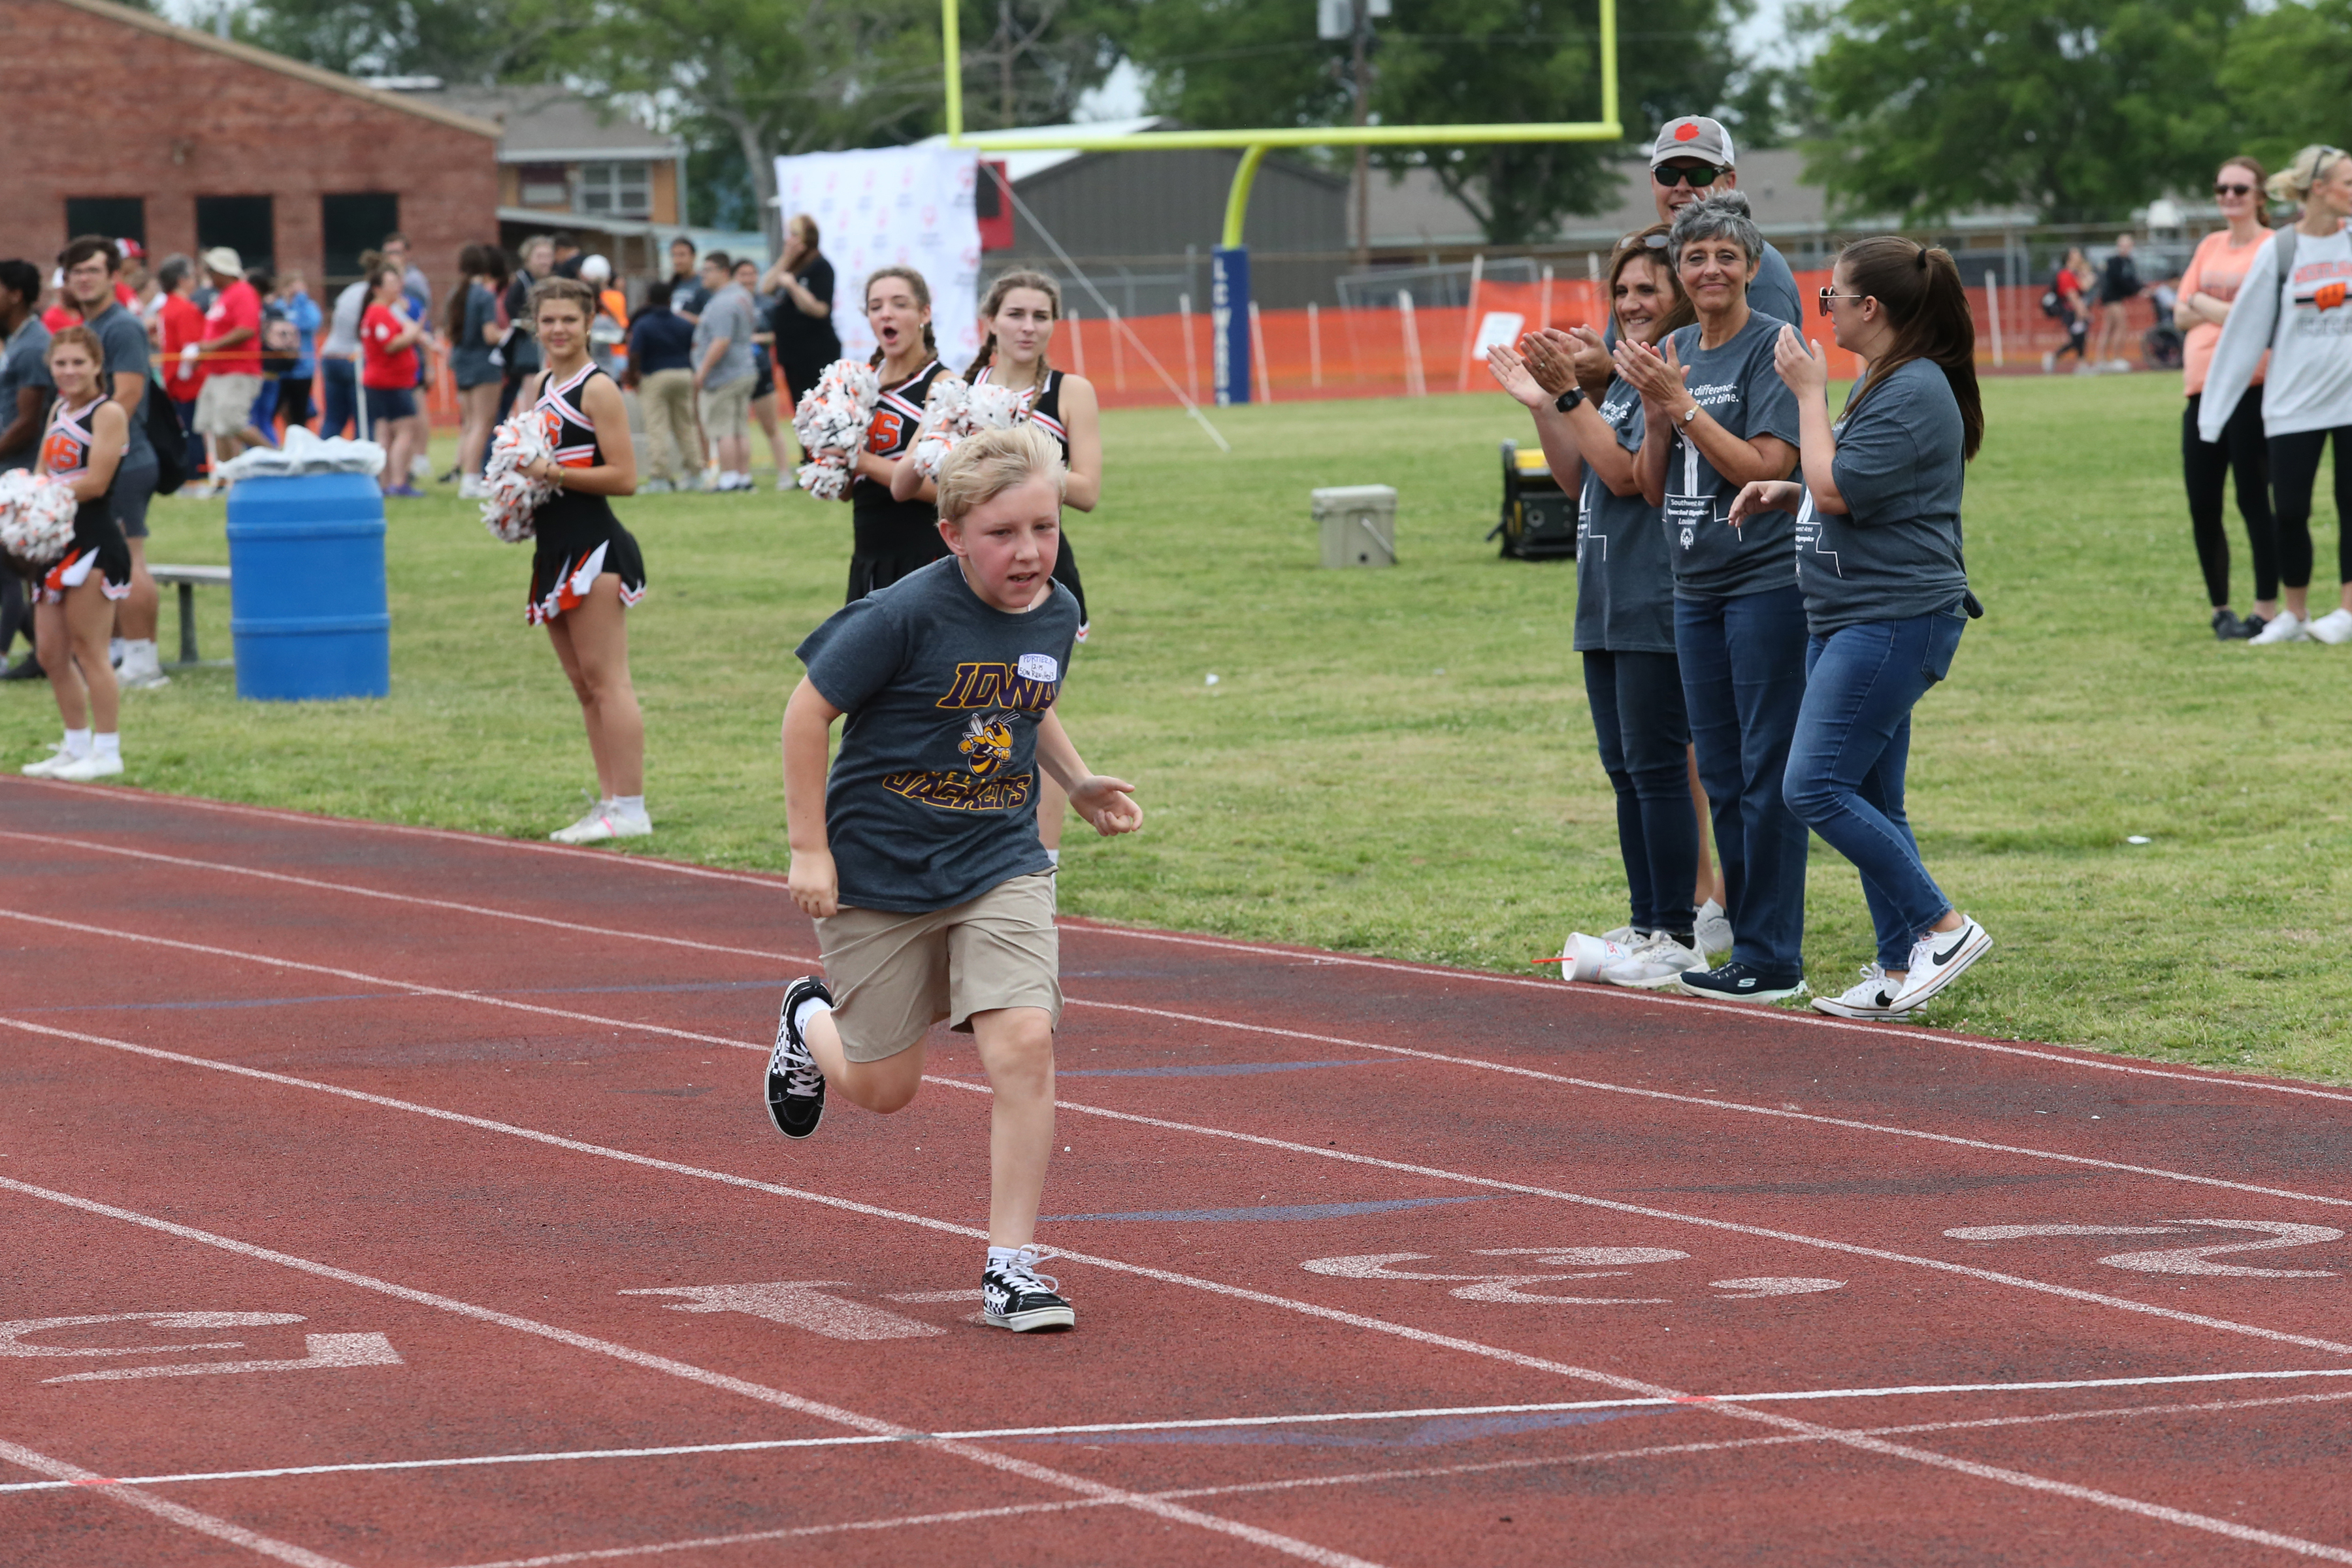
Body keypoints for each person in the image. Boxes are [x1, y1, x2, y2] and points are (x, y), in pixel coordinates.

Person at [763, 421, 1143, 1333]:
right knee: (884, 1090)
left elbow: (1028, 697)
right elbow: (805, 716)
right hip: (880, 870)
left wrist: (1076, 781)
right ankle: (808, 1018)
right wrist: (809, 849)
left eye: (1045, 528)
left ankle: (1011, 1268)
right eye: (1003, 534)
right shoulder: (899, 616)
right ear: (953, 535)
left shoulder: (1054, 608)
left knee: (1023, 1042)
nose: (1030, 552)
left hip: (998, 857)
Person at [1733, 238, 1993, 1019]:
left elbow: (1838, 490)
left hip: (1891, 619)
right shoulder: (1887, 378)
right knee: (1874, 793)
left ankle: (1943, 927)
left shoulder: (1912, 386)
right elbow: (1846, 486)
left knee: (1813, 786)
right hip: (1851, 615)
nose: (1826, 311)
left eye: (1832, 297)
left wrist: (1808, 397)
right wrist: (1788, 493)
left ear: (1869, 308)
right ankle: (1896, 966)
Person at [1489, 226, 1711, 985]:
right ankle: (1647, 920)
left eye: (1648, 289)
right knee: (1625, 769)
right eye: (1622, 291)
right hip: (1606, 595)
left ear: (1679, 297)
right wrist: (1543, 405)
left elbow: (1625, 478)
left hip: (1653, 593)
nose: (1632, 302)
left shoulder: (1665, 375)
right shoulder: (1617, 381)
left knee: (1657, 768)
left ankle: (1677, 931)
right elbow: (1580, 479)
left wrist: (1568, 392)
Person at [1612, 191, 1808, 1003]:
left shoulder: (1775, 345)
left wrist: (1682, 406)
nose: (1711, 269)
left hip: (1763, 584)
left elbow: (1766, 467)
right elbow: (1650, 485)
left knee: (1767, 771)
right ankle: (1740, 944)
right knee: (1721, 774)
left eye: (1727, 256)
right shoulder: (1675, 346)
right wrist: (1658, 417)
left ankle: (1775, 955)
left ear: (1752, 267)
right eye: (1696, 258)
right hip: (1691, 588)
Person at [932, 269, 1103, 867]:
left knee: (1035, 712)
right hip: (972, 566)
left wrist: (1016, 454)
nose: (1028, 327)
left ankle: (1041, 863)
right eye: (1015, 314)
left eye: (1040, 316)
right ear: (991, 321)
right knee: (964, 710)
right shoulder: (958, 389)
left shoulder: (1070, 391)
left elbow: (1087, 490)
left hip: (1039, 569)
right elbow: (928, 479)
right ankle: (970, 848)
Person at [512, 276, 649, 845]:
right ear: (535, 326)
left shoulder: (598, 389)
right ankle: (610, 804)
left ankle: (632, 807)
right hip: (554, 548)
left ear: (590, 323)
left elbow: (625, 477)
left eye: (570, 319)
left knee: (608, 681)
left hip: (594, 549)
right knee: (583, 685)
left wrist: (550, 473)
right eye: (548, 320)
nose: (559, 329)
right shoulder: (539, 385)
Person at [2201, 144, 2352, 647]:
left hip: (2349, 402)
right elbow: (2243, 334)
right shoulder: (2281, 251)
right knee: (2288, 510)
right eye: (2348, 182)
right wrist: (2213, 415)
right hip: (2293, 403)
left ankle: (2348, 610)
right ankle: (2294, 613)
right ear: (2318, 189)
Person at [1572, 118, 1803, 399]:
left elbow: (1749, 395)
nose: (1681, 187)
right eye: (1667, 174)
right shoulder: (1646, 259)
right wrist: (1583, 380)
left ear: (1729, 182)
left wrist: (1607, 374)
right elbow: (1617, 400)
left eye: (1699, 175)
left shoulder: (1761, 269)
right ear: (1653, 182)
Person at [18, 327, 130, 781]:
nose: (69, 371)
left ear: (97, 365)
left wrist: (39, 493)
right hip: (54, 542)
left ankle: (108, 751)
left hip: (93, 542)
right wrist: (23, 498)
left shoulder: (109, 413)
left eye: (79, 363)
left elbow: (96, 483)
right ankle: (75, 744)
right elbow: (42, 470)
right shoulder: (58, 409)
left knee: (90, 649)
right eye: (61, 363)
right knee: (50, 652)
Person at [2176, 157, 2279, 641]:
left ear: (2260, 195)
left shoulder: (2273, 247)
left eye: (2240, 189)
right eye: (2222, 189)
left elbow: (2262, 317)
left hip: (2251, 389)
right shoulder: (2209, 245)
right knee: (2203, 502)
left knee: (2254, 499)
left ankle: (2266, 610)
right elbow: (2179, 315)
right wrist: (2227, 311)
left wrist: (2202, 302)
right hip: (2201, 390)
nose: (2230, 197)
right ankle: (2221, 609)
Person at [60, 235, 165, 691]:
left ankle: (144, 660)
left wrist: (91, 441)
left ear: (114, 276)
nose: (84, 279)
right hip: (100, 459)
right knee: (109, 557)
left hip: (126, 458)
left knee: (131, 557)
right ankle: (120, 650)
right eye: (76, 272)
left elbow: (129, 394)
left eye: (93, 271)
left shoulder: (121, 327)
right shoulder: (89, 326)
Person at [840, 266, 949, 600]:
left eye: (900, 304)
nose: (886, 313)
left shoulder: (944, 386)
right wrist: (829, 454)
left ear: (924, 313)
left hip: (927, 555)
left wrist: (861, 460)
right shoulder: (860, 385)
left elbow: (945, 489)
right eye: (876, 307)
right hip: (868, 557)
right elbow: (845, 491)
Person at [0, 259, 54, 683]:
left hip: (22, 471)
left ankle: (23, 653)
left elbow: (27, 423)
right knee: (12, 568)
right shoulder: (17, 340)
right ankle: (43, 649)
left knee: (14, 570)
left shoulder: (33, 346)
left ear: (15, 294)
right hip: (11, 467)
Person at [763, 214, 842, 462]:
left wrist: (793, 287)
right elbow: (766, 288)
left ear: (808, 239)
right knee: (801, 410)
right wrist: (785, 259)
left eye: (795, 235)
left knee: (820, 409)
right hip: (791, 352)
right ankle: (808, 459)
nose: (790, 240)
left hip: (816, 352)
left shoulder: (821, 267)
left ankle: (826, 460)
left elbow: (820, 309)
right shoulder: (792, 266)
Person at [189, 246, 268, 467]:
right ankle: (226, 475)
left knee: (233, 424)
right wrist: (203, 355)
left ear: (223, 271)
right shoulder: (225, 295)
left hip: (238, 370)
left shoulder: (243, 292)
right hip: (218, 372)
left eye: (211, 270)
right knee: (216, 426)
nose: (208, 275)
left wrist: (211, 347)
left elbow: (247, 329)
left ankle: (278, 458)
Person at [690, 252, 759, 492]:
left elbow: (721, 340)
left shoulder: (724, 302)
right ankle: (743, 476)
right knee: (739, 429)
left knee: (723, 430)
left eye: (708, 270)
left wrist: (702, 371)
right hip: (743, 368)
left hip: (724, 374)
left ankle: (729, 477)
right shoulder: (742, 295)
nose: (703, 275)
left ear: (724, 272)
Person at [359, 263, 427, 498]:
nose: (398, 287)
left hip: (383, 380)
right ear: (377, 288)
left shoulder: (383, 311)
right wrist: (413, 333)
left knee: (385, 433)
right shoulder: (379, 312)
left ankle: (386, 483)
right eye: (392, 283)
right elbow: (390, 345)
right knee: (405, 431)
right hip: (390, 381)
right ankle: (399, 482)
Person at [624, 278, 698, 492]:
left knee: (657, 427)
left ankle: (660, 477)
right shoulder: (683, 323)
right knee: (686, 425)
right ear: (670, 299)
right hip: (683, 373)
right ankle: (695, 473)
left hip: (655, 375)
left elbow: (635, 353)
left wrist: (633, 377)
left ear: (648, 299)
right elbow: (691, 347)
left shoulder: (644, 324)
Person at [448, 244, 507, 498]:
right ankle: (471, 479)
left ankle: (466, 475)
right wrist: (511, 333)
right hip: (483, 363)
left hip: (461, 361)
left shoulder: (455, 294)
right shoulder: (484, 296)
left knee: (471, 423)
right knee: (483, 423)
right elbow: (490, 334)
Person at [735, 257, 791, 483]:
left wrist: (758, 338)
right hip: (735, 374)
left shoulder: (767, 304)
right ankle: (741, 477)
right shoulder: (729, 303)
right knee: (737, 428)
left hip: (761, 371)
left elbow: (780, 334)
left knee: (771, 425)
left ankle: (785, 474)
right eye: (743, 274)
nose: (748, 279)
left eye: (752, 274)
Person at [318, 249, 379, 442]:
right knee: (365, 420)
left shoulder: (351, 290)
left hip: (330, 356)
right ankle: (360, 459)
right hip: (355, 359)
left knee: (333, 420)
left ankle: (321, 457)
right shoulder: (375, 296)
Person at [497, 237, 555, 429]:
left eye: (548, 256)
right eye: (540, 256)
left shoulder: (548, 281)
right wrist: (528, 323)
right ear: (528, 258)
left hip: (540, 349)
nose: (545, 261)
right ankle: (527, 428)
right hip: (525, 349)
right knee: (528, 392)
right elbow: (510, 305)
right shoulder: (521, 281)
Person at [2095, 235, 2145, 371]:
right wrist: (2136, 290)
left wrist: (2140, 289)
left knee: (2109, 328)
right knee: (2120, 327)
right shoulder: (2114, 262)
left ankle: (2101, 360)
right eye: (2123, 246)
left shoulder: (2128, 262)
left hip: (2117, 298)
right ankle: (2114, 359)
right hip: (2112, 299)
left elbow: (2132, 280)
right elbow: (2119, 281)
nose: (2125, 249)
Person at [2044, 249, 2093, 374]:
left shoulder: (2075, 274)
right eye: (2076, 254)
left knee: (2080, 338)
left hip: (2075, 310)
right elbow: (2072, 297)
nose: (2080, 256)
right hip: (2070, 312)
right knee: (2078, 338)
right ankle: (2057, 357)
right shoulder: (2065, 275)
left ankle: (2078, 363)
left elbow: (2083, 288)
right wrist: (2082, 311)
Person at [665, 237, 708, 323]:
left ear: (693, 257)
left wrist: (685, 317)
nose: (677, 261)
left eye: (682, 255)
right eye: (674, 255)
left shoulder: (703, 284)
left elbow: (710, 320)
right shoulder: (671, 285)